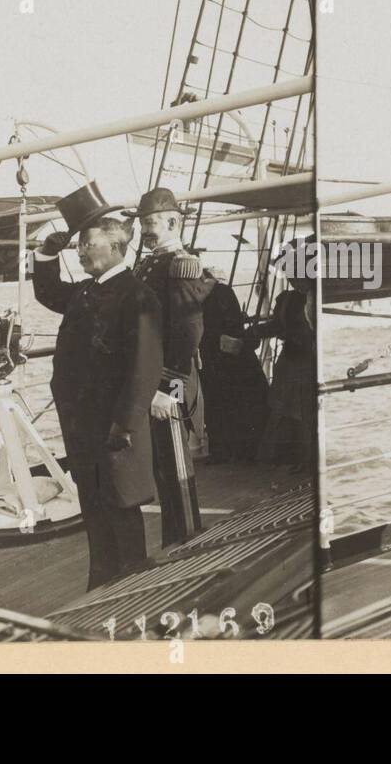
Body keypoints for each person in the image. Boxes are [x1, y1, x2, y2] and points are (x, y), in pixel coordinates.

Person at [31, 182, 163, 590]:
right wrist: (47, 252)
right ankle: (100, 586)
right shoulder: (86, 291)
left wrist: (123, 426)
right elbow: (49, 290)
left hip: (113, 431)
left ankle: (131, 591)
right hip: (82, 424)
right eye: (80, 246)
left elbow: (145, 368)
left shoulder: (137, 296)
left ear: (117, 246)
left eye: (88, 243)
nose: (81, 251)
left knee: (120, 508)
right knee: (93, 507)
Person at [129, 187, 215, 547]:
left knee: (175, 454)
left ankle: (186, 539)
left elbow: (188, 329)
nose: (146, 230)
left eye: (152, 223)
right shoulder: (149, 262)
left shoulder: (180, 264)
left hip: (173, 377)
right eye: (144, 223)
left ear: (173, 222)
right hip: (155, 377)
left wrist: (168, 386)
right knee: (164, 458)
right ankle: (177, 536)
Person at [252, 238, 317, 472]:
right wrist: (254, 331)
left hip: (309, 363)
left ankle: (310, 459)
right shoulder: (286, 299)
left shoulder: (316, 299)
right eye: (290, 276)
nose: (293, 280)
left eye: (297, 275)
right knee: (288, 410)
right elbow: (276, 326)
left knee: (306, 412)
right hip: (289, 363)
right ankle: (297, 457)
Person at [198, 271, 269, 465]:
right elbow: (234, 323)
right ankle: (243, 451)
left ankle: (226, 451)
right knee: (235, 403)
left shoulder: (208, 295)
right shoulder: (222, 292)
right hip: (228, 357)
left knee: (220, 403)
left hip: (218, 357)